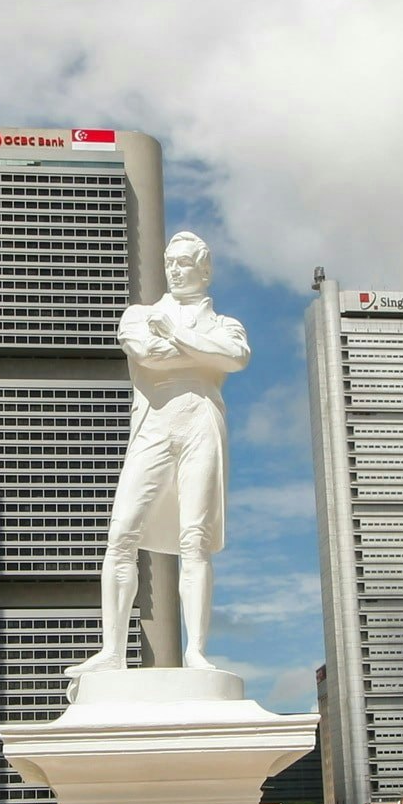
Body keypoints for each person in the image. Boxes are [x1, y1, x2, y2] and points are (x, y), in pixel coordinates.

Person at [71, 231, 250, 681]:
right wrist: (197, 349)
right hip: (154, 424)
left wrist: (177, 336)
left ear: (204, 269)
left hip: (201, 423)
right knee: (121, 534)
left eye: (184, 262)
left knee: (196, 540)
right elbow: (148, 354)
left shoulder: (227, 323)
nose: (174, 269)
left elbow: (235, 357)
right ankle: (112, 651)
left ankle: (197, 652)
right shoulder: (140, 315)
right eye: (170, 261)